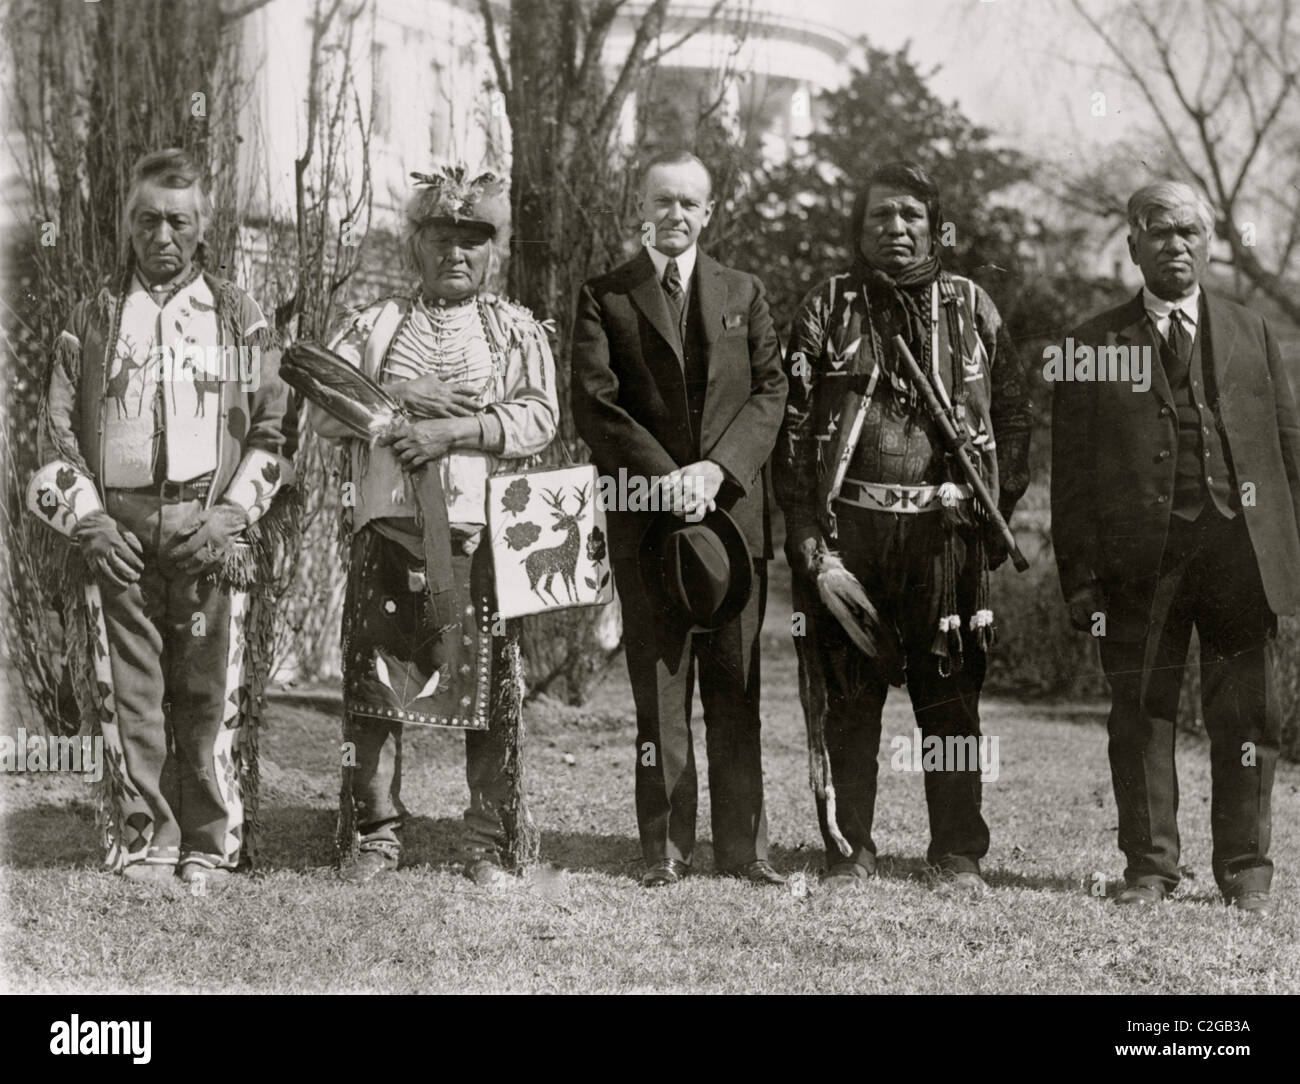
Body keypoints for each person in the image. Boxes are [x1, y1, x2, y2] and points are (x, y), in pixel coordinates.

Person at [35, 147, 297, 888]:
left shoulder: (240, 319)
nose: (162, 236)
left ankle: (209, 846)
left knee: (210, 694)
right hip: (116, 531)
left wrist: (231, 519)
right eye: (147, 220)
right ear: (127, 224)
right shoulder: (91, 319)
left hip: (208, 529)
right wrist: (89, 522)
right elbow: (52, 440)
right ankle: (148, 838)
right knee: (132, 691)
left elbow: (275, 436)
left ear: (203, 225)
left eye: (178, 221)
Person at [775, 161, 1031, 895]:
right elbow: (793, 427)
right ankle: (850, 850)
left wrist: (996, 508)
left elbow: (1014, 413)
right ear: (861, 229)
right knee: (849, 701)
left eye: (910, 216)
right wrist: (802, 527)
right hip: (848, 537)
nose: (895, 228)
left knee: (949, 698)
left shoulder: (972, 306)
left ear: (934, 227)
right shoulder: (828, 306)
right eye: (881, 215)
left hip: (945, 537)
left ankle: (956, 852)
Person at [1052, 181, 1300, 916]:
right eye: (1159, 231)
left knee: (1251, 717)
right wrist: (1079, 582)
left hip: (1242, 558)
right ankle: (1151, 870)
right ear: (1132, 242)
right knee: (1139, 715)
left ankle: (1247, 870)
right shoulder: (1093, 345)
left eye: (1190, 230)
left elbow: (1290, 454)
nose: (1176, 244)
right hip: (1139, 567)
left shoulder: (1253, 332)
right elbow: (1070, 478)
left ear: (1211, 240)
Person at [311, 166, 558, 886]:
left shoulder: (514, 329)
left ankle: (484, 840)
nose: (456, 253)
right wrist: (395, 396)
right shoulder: (373, 324)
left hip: (479, 541)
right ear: (415, 245)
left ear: (492, 251)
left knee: (485, 693)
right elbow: (324, 410)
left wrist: (454, 431)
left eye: (471, 242)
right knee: (375, 692)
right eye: (441, 239)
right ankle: (376, 835)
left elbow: (539, 418)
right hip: (387, 534)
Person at [571, 150, 788, 888]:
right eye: (663, 201)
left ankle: (744, 849)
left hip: (732, 523)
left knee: (736, 688)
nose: (676, 215)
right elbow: (596, 404)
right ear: (642, 205)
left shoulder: (746, 291)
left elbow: (771, 392)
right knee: (659, 692)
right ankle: (663, 847)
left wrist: (717, 471)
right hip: (648, 522)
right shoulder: (605, 296)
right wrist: (669, 479)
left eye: (690, 203)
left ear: (709, 212)